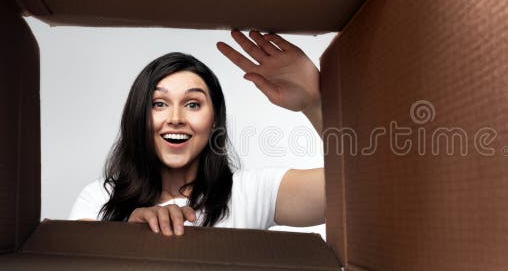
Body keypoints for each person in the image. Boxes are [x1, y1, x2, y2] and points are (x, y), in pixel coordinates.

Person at [68, 30, 325, 236]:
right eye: (159, 104)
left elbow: (347, 192)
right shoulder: (98, 199)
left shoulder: (250, 193)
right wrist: (130, 235)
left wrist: (315, 103)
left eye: (192, 104)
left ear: (214, 121)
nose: (176, 119)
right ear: (138, 116)